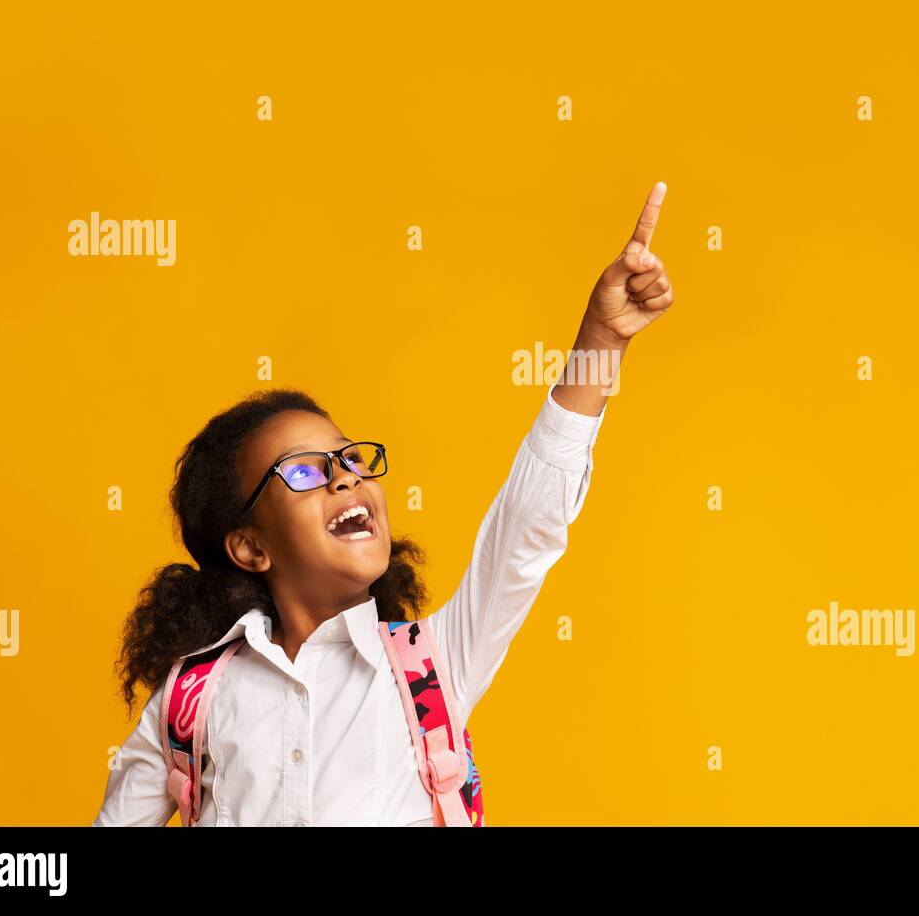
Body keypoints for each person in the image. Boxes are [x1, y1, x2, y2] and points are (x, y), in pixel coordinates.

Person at [93, 182, 675, 825]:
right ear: (250, 546)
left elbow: (526, 528)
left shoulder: (434, 663)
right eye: (306, 472)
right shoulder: (191, 701)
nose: (345, 477)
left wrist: (601, 340)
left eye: (348, 458)